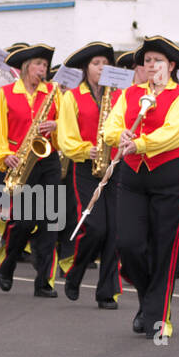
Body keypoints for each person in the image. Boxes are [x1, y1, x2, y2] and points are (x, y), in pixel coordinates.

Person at [102, 35, 179, 339]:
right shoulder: (129, 93)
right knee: (129, 244)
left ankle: (159, 317)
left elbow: (174, 132)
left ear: (171, 66)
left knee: (164, 247)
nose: (152, 65)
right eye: (147, 61)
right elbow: (110, 127)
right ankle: (148, 299)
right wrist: (118, 138)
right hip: (132, 176)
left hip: (170, 175)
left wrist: (140, 143)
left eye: (158, 60)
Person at [0, 43, 61, 297]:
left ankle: (43, 281)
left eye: (45, 65)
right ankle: (8, 261)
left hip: (48, 159)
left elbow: (64, 124)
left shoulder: (53, 91)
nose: (43, 69)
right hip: (21, 162)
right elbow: (0, 130)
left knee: (49, 222)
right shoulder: (7, 92)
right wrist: (4, 156)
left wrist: (56, 125)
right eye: (38, 65)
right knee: (24, 221)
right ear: (25, 67)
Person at [56, 41, 121, 308]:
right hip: (86, 167)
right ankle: (76, 272)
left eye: (106, 63)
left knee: (115, 232)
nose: (102, 68)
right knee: (95, 228)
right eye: (96, 64)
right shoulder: (72, 96)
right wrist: (87, 150)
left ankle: (106, 293)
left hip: (115, 166)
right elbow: (65, 137)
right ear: (86, 68)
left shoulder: (119, 96)